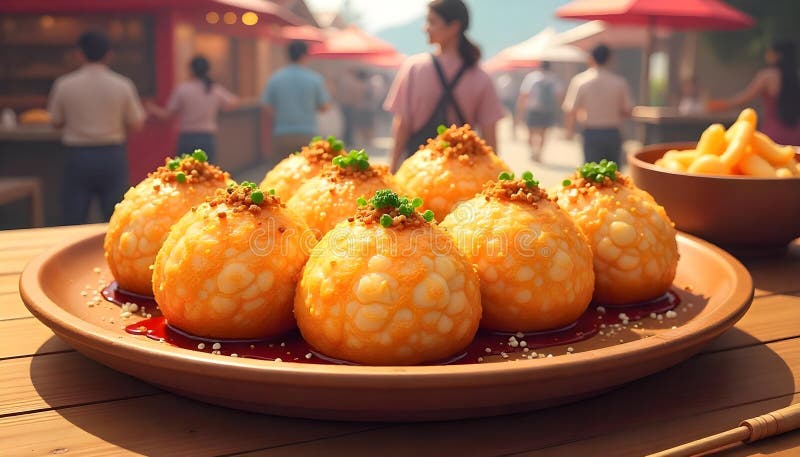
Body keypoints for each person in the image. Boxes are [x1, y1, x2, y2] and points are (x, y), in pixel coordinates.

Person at [384, 0, 505, 171]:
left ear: (454, 27)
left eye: (432, 22)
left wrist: (393, 167)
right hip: (462, 174)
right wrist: (494, 175)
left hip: (419, 171)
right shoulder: (481, 76)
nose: (425, 28)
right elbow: (489, 136)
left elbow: (402, 125)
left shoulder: (414, 67)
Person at [47, 30, 145, 225]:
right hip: (111, 155)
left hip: (78, 156)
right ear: (109, 55)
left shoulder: (64, 85)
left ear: (79, 54)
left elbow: (55, 122)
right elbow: (136, 123)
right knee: (114, 219)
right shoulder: (122, 84)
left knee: (74, 217)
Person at [146, 55, 239, 163]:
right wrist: (217, 108)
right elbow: (234, 102)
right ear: (208, 70)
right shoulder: (214, 89)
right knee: (206, 171)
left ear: (191, 71)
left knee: (185, 170)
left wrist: (151, 108)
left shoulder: (182, 89)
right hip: (207, 138)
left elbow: (167, 115)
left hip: (187, 138)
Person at [708, 40, 800, 146]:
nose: (767, 54)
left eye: (770, 51)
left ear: (778, 55)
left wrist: (718, 105)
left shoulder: (766, 76)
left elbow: (743, 99)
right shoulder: (796, 77)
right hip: (796, 134)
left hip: (773, 133)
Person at [562, 44, 633, 165]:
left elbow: (571, 110)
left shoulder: (581, 81)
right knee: (612, 172)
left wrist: (568, 132)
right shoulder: (619, 82)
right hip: (612, 133)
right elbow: (628, 110)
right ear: (610, 59)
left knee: (592, 171)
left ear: (591, 58)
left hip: (591, 132)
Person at [261, 40, 331, 156]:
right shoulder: (314, 79)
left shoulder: (276, 78)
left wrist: (280, 115)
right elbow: (324, 107)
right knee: (307, 167)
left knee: (282, 167)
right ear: (304, 56)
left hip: (282, 133)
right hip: (307, 133)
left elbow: (266, 105)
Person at [517, 61, 564, 161]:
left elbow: (524, 94)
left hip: (533, 109)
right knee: (543, 133)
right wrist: (559, 109)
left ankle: (532, 152)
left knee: (530, 132)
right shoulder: (554, 78)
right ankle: (539, 154)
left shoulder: (532, 77)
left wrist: (521, 109)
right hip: (548, 110)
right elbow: (559, 95)